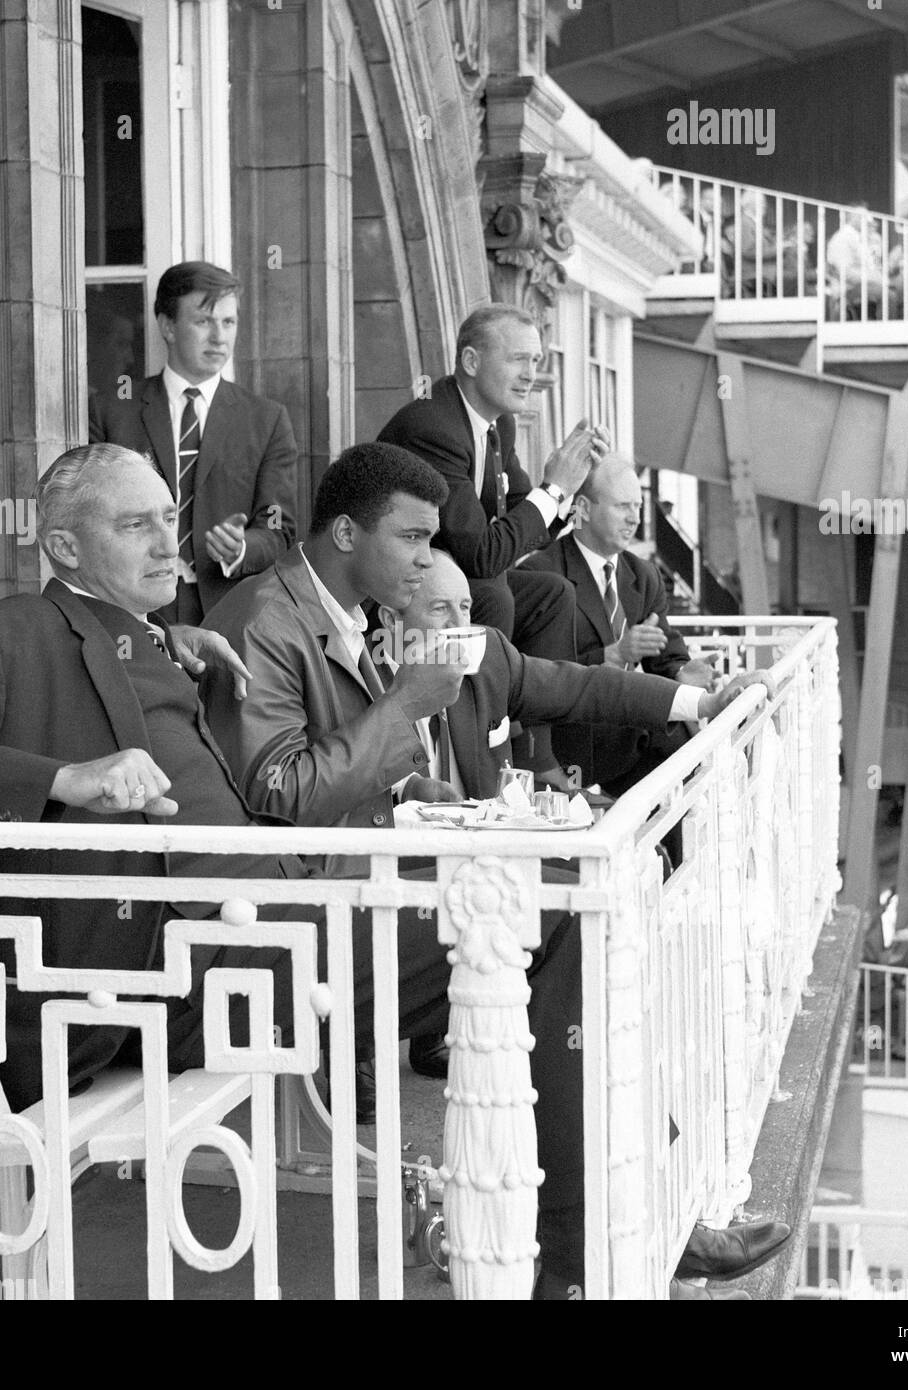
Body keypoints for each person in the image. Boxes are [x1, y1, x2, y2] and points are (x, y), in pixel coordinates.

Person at [202, 444, 786, 1298]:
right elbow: (278, 789)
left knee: (569, 938)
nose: (423, 565)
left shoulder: (344, 612)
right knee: (551, 928)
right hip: (289, 934)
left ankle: (621, 1224)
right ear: (342, 533)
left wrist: (414, 787)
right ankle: (588, 1247)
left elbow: (570, 687)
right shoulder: (265, 618)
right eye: (410, 540)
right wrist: (405, 710)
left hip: (356, 899)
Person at [377, 304, 609, 790]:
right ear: (471, 360)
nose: (532, 375)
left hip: (457, 582)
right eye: (519, 360)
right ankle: (486, 750)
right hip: (400, 595)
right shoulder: (434, 427)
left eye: (537, 360)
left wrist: (566, 482)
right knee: (495, 592)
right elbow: (482, 552)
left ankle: (538, 756)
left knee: (552, 593)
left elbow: (527, 516)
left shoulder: (495, 424)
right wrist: (554, 491)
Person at [89, 260, 298, 625]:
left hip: (228, 611)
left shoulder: (266, 419)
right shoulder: (111, 410)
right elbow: (91, 516)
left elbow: (279, 529)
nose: (219, 337)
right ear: (168, 326)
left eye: (228, 322)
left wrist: (242, 547)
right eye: (204, 321)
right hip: (131, 608)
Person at [522, 457, 717, 797]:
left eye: (638, 506)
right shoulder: (542, 574)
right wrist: (611, 655)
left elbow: (666, 656)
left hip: (621, 736)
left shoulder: (642, 575)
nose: (634, 519)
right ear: (583, 507)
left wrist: (682, 674)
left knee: (690, 758)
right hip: (566, 741)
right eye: (622, 507)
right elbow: (533, 676)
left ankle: (669, 850)